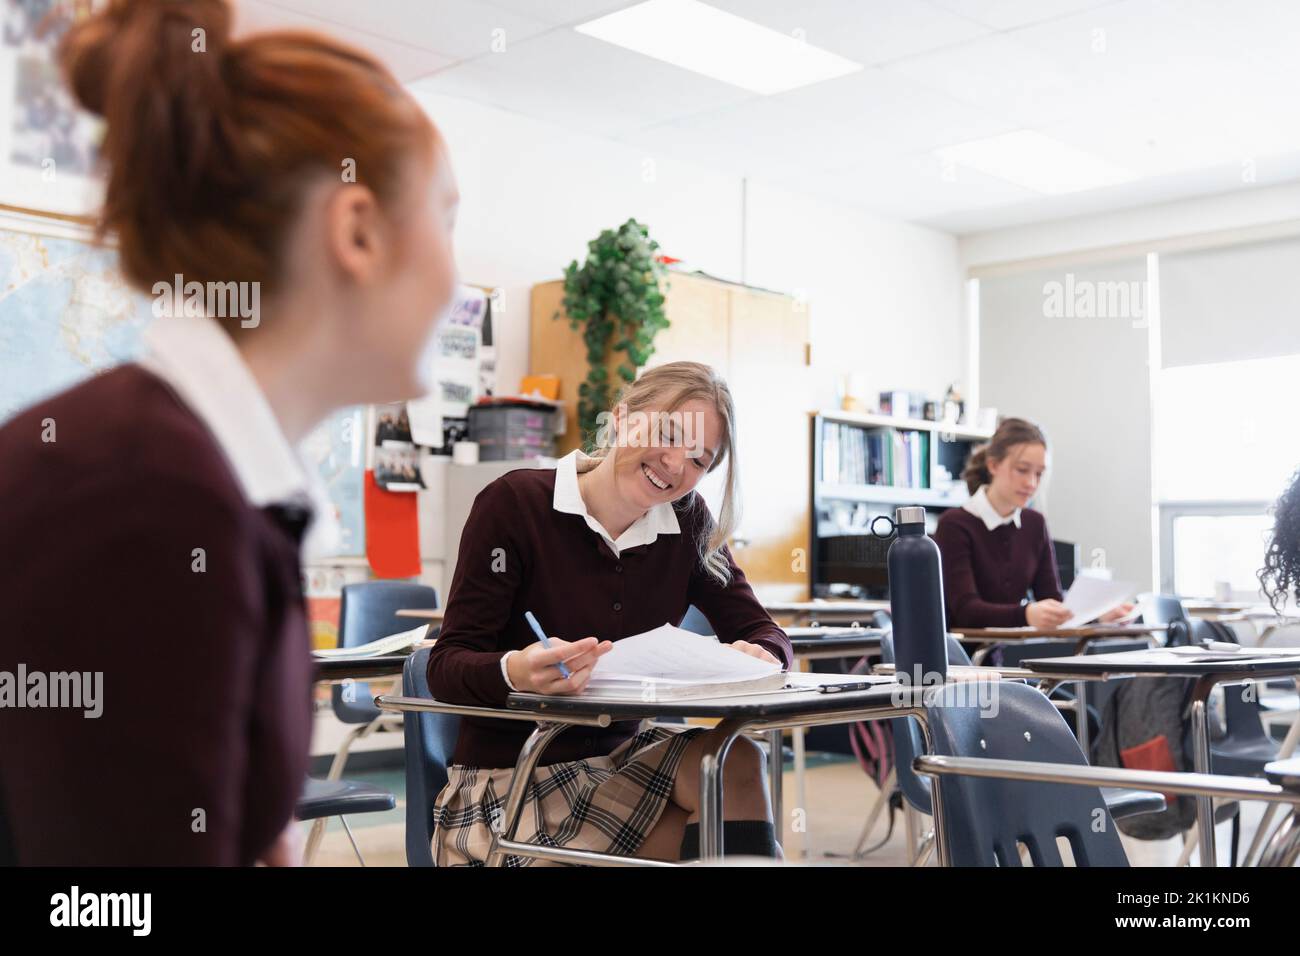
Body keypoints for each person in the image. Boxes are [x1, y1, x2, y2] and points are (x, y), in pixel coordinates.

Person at [0, 0, 458, 864]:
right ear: (356, 231)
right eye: (448, 216)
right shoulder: (147, 506)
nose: (459, 277)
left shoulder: (212, 482)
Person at [427, 361, 793, 865]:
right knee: (736, 843)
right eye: (667, 433)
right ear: (621, 418)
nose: (674, 464)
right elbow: (444, 667)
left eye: (698, 460)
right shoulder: (513, 505)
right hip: (511, 785)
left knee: (736, 761)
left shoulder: (687, 523)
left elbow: (763, 630)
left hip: (619, 766)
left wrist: (764, 652)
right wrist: (515, 671)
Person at [933, 417, 1131, 628]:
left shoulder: (1035, 524)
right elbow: (966, 611)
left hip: (1015, 649)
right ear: (993, 465)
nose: (1031, 483)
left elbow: (1052, 599)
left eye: (1039, 473)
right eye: (1022, 470)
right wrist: (1026, 615)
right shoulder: (955, 525)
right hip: (966, 655)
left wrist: (1098, 615)